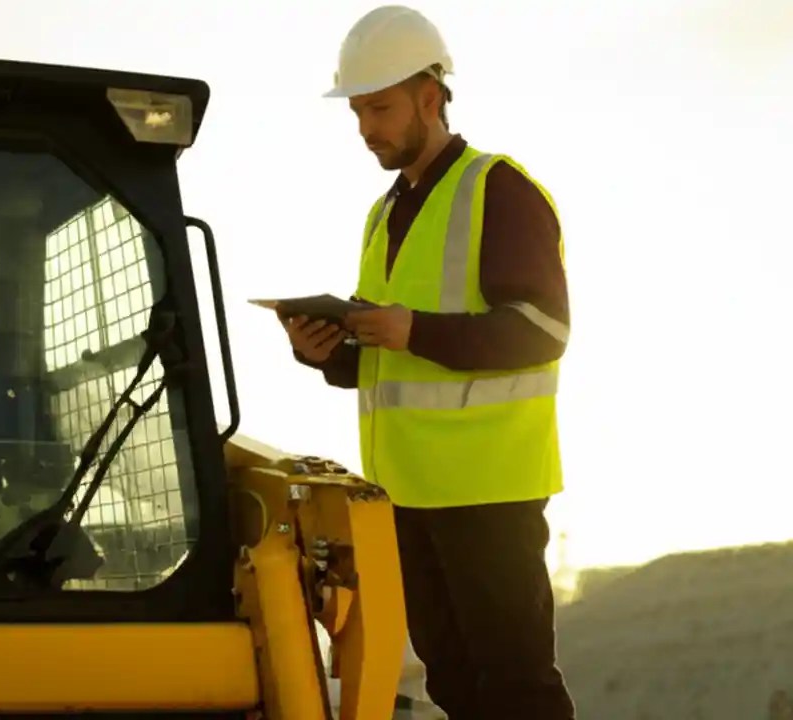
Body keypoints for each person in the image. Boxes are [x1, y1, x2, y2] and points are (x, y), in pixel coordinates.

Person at [280, 5, 576, 719]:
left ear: (430, 96)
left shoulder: (497, 190)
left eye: (378, 109)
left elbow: (542, 328)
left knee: (515, 687)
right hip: (405, 497)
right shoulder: (383, 215)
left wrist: (413, 330)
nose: (366, 129)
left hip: (489, 493)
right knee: (453, 683)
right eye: (357, 113)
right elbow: (385, 361)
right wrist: (327, 353)